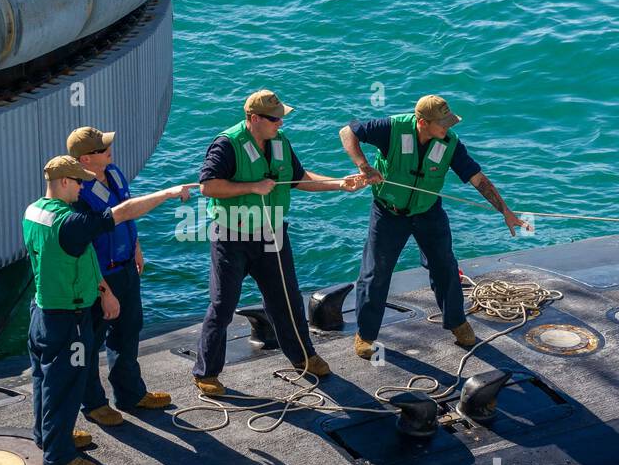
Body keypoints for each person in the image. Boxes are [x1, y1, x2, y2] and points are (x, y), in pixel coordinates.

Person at [24, 156, 192, 465]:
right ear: (62, 183)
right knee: (64, 383)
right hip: (67, 319)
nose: (80, 188)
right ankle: (59, 455)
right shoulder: (68, 224)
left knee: (43, 379)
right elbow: (121, 213)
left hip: (41, 311)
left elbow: (72, 257)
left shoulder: (34, 212)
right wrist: (168, 194)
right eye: (76, 182)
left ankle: (47, 436)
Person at [193, 89, 367, 396]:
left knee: (286, 299)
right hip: (232, 237)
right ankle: (206, 372)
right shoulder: (226, 144)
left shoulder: (280, 142)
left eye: (281, 118)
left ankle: (304, 357)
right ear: (254, 118)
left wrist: (339, 184)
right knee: (223, 306)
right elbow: (208, 186)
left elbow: (299, 178)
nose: (280, 124)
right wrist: (252, 186)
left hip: (272, 233)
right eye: (275, 119)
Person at [339, 94, 530, 358]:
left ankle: (457, 322)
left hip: (428, 211)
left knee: (445, 266)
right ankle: (366, 334)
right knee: (376, 273)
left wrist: (505, 211)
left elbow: (477, 178)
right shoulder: (392, 128)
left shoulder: (450, 143)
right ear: (422, 122)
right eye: (443, 123)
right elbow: (347, 132)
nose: (448, 128)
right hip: (389, 212)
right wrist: (364, 166)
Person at [68, 125, 174, 427]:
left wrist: (136, 248)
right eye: (101, 149)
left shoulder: (113, 173)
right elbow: (83, 246)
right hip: (101, 276)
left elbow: (125, 214)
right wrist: (103, 290)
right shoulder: (78, 195)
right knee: (91, 340)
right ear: (85, 160)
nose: (108, 150)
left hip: (126, 267)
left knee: (128, 331)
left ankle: (130, 393)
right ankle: (94, 404)